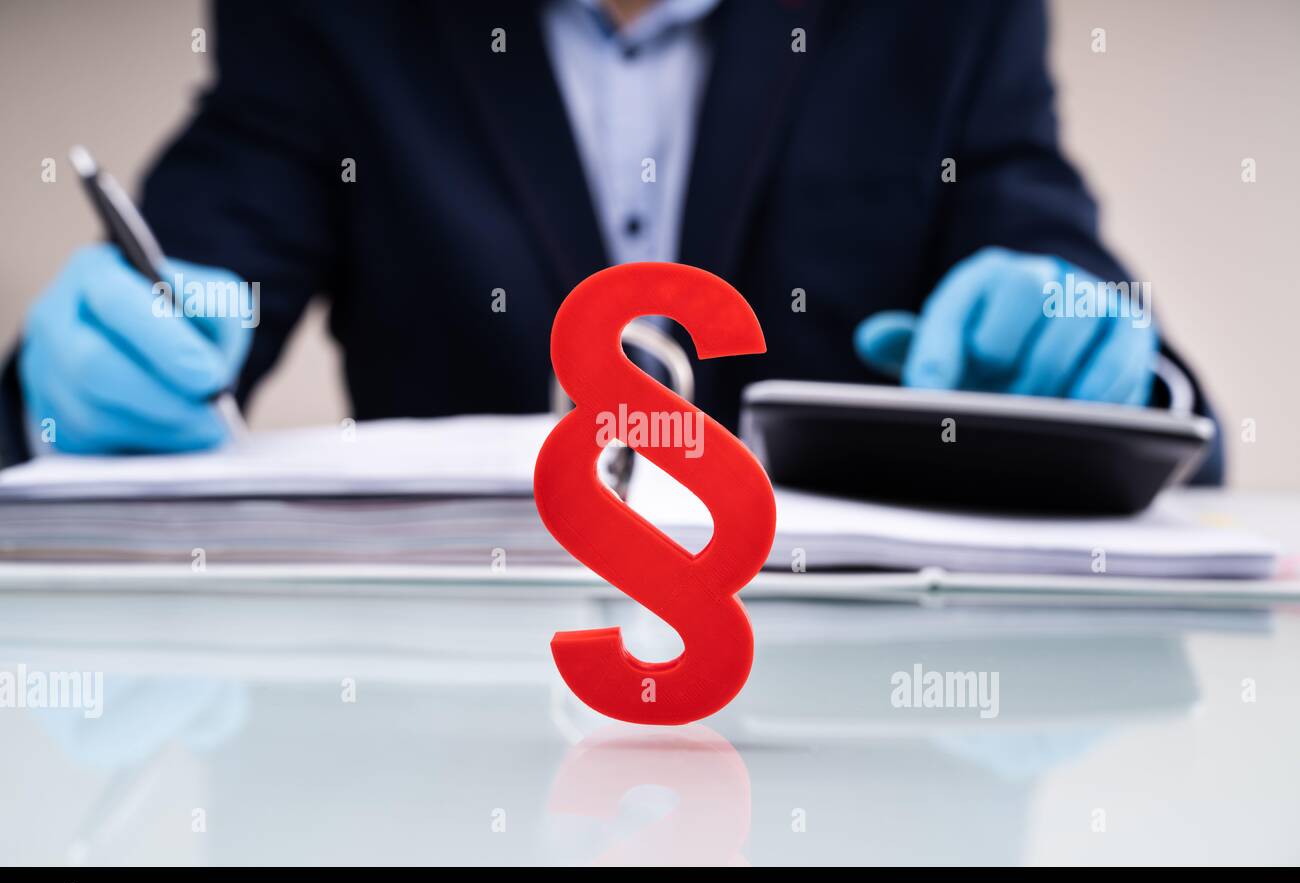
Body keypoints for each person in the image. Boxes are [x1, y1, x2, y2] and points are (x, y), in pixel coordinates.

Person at [4, 0, 1222, 482]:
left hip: (874, 732)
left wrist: (1085, 350)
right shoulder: (337, 15)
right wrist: (68, 398)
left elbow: (1165, 414)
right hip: (439, 745)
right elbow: (180, 287)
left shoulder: (946, 14)